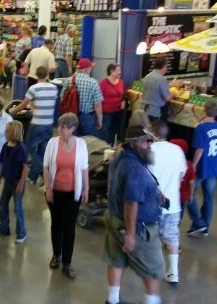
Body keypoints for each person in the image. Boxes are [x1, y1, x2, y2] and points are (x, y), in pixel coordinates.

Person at [104, 125, 166, 304]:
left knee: (116, 260)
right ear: (134, 143)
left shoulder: (119, 157)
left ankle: (112, 300)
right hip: (137, 228)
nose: (149, 145)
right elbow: (131, 204)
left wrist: (156, 194)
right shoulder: (135, 169)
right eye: (146, 142)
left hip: (114, 219)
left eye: (150, 141)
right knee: (152, 268)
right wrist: (131, 235)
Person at [43, 113, 89, 279]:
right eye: (59, 126)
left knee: (69, 227)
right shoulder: (52, 143)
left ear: (72, 129)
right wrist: (48, 188)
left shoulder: (81, 145)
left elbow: (84, 168)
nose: (59, 129)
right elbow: (46, 167)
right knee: (56, 224)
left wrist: (86, 189)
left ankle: (67, 262)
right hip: (55, 191)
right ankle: (56, 255)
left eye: (63, 127)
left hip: (72, 193)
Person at [148, 121, 187, 285]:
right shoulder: (177, 150)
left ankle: (151, 267)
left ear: (152, 132)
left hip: (152, 204)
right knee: (171, 237)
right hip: (173, 204)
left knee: (150, 236)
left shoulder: (149, 150)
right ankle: (173, 272)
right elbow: (182, 174)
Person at [9, 66, 59, 185]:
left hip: (37, 123)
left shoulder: (33, 88)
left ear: (36, 75)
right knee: (42, 150)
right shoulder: (54, 88)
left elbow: (23, 104)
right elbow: (48, 101)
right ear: (47, 75)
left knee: (29, 148)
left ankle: (42, 169)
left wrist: (13, 110)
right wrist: (35, 106)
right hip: (49, 124)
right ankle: (33, 177)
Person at [187, 100, 217, 237]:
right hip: (214, 166)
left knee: (190, 194)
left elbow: (200, 149)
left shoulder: (201, 128)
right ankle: (205, 225)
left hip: (201, 167)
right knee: (209, 197)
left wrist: (193, 165)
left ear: (204, 111)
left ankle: (198, 222)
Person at [0, 121, 29, 243]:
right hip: (8, 182)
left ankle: (22, 233)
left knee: (17, 208)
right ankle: (4, 227)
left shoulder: (20, 148)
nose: (5, 133)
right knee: (3, 203)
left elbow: (25, 167)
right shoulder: (6, 146)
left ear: (14, 132)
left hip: (17, 182)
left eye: (7, 131)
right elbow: (3, 163)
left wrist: (21, 183)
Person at [63, 58, 104, 137]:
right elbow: (97, 105)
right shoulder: (93, 82)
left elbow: (62, 98)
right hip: (87, 117)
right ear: (86, 69)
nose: (91, 70)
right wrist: (100, 121)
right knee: (88, 140)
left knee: (72, 139)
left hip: (71, 116)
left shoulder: (68, 80)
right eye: (90, 68)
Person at [98, 63, 127, 145]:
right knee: (105, 130)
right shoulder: (103, 84)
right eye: (118, 70)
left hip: (118, 112)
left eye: (120, 70)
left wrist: (123, 100)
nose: (120, 72)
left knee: (114, 130)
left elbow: (122, 95)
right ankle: (103, 146)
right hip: (107, 112)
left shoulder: (121, 82)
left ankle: (110, 145)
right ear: (111, 71)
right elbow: (98, 99)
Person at [140, 56, 171, 122]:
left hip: (144, 110)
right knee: (156, 128)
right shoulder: (161, 79)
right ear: (164, 66)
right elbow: (167, 98)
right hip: (156, 112)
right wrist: (173, 94)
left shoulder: (147, 77)